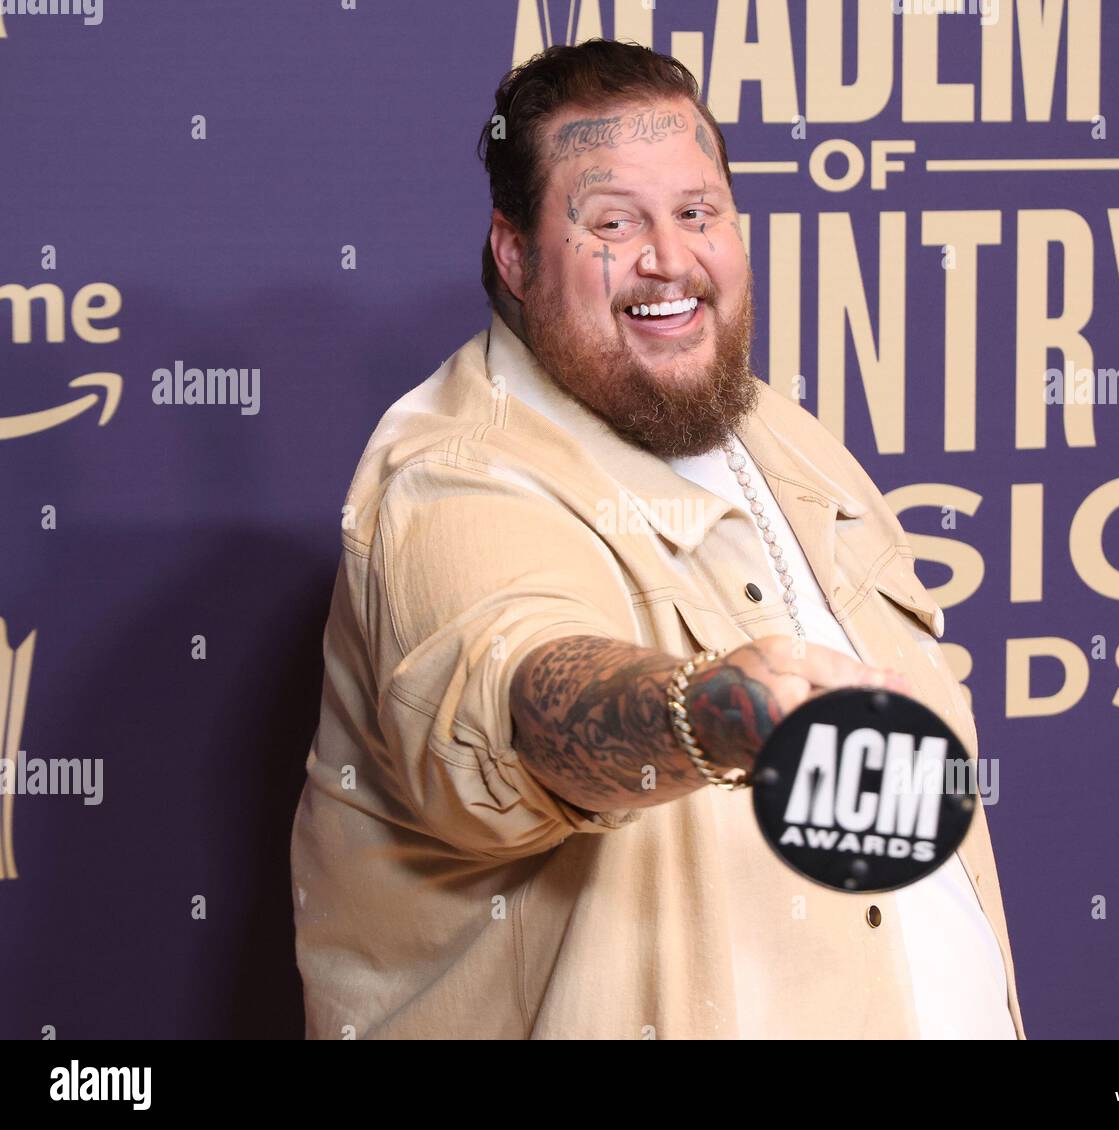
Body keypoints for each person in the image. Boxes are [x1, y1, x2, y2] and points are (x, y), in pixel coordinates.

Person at [290, 38, 1026, 1040]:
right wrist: (711, 713)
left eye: (696, 211)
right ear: (513, 253)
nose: (669, 258)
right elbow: (520, 694)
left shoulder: (786, 437)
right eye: (612, 222)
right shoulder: (453, 472)